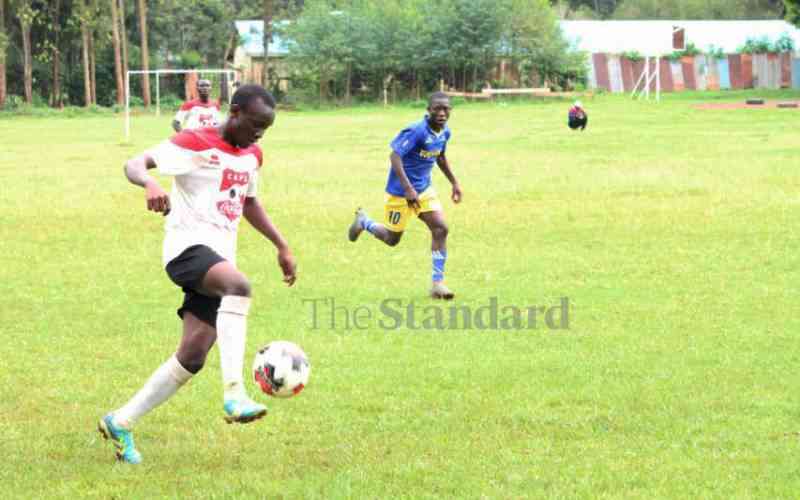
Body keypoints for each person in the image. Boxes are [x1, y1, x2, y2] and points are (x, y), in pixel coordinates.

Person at [98, 84, 297, 464]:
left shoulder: (252, 155)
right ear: (234, 112)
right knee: (239, 286)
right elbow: (133, 163)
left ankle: (120, 421)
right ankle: (235, 392)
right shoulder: (194, 142)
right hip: (186, 251)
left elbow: (249, 202)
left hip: (218, 260)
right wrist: (150, 183)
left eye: (265, 129)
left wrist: (281, 245)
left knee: (192, 356)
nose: (259, 134)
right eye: (255, 124)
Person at [347, 92, 462, 300]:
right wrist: (408, 188)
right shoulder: (417, 131)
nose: (442, 113)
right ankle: (364, 222)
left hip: (424, 190)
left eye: (446, 109)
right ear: (428, 110)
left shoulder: (444, 133)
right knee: (391, 239)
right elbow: (395, 156)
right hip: (400, 193)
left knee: (441, 228)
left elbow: (440, 157)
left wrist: (454, 183)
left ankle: (437, 284)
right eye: (437, 109)